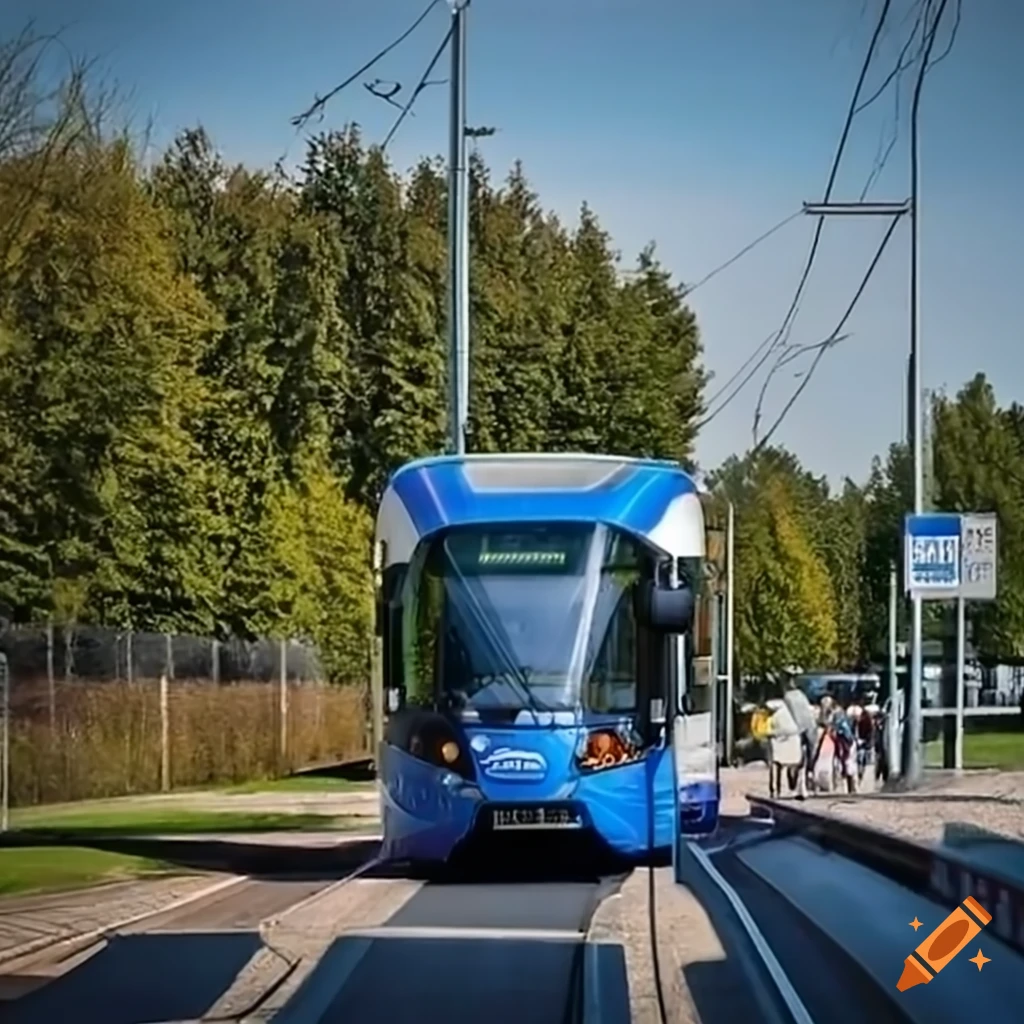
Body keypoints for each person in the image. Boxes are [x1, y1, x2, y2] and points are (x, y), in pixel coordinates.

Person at [766, 698, 807, 800]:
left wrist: (771, 733)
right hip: (791, 746)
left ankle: (777, 791)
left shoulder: (776, 716)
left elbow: (778, 730)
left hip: (780, 746)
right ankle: (794, 790)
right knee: (794, 768)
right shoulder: (791, 714)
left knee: (778, 768)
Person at [782, 677, 819, 791]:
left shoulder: (788, 697)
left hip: (796, 728)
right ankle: (809, 773)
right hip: (808, 727)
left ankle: (797, 776)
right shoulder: (801, 695)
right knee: (810, 753)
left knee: (796, 756)